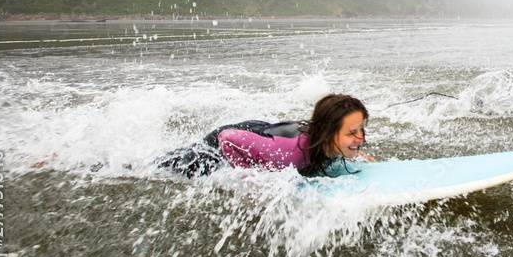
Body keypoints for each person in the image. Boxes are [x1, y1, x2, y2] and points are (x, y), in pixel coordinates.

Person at [157, 93, 375, 178]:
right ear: (327, 133)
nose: (361, 138)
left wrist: (350, 152)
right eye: (352, 133)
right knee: (167, 167)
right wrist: (248, 178)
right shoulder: (289, 155)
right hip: (217, 148)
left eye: (361, 130)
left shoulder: (324, 142)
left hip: (264, 132)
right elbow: (227, 138)